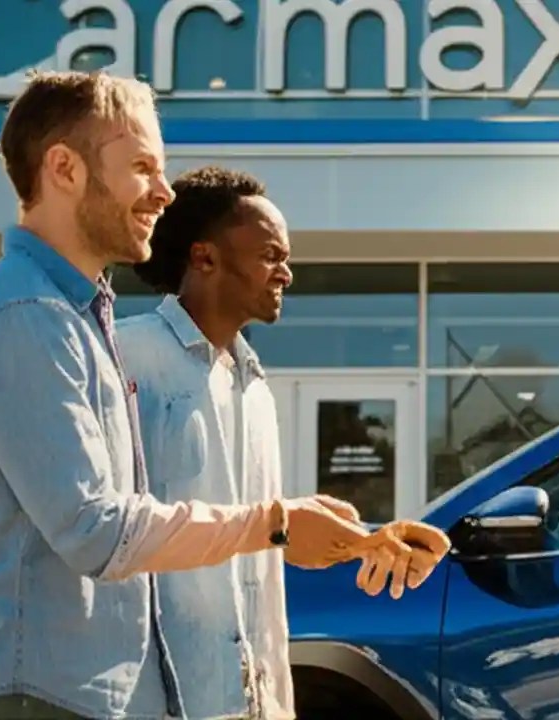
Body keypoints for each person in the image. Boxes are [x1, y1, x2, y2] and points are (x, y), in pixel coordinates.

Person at [0, 70, 433, 720]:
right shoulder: (31, 315)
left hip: (104, 692)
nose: (164, 192)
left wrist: (354, 540)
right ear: (64, 168)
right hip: (42, 691)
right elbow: (97, 530)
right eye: (142, 166)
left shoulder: (83, 321)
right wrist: (273, 524)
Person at [115, 165, 450, 719]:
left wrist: (367, 542)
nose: (287, 274)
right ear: (204, 258)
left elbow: (257, 535)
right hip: (154, 699)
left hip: (249, 700)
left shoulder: (253, 385)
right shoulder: (127, 358)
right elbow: (94, 521)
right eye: (271, 255)